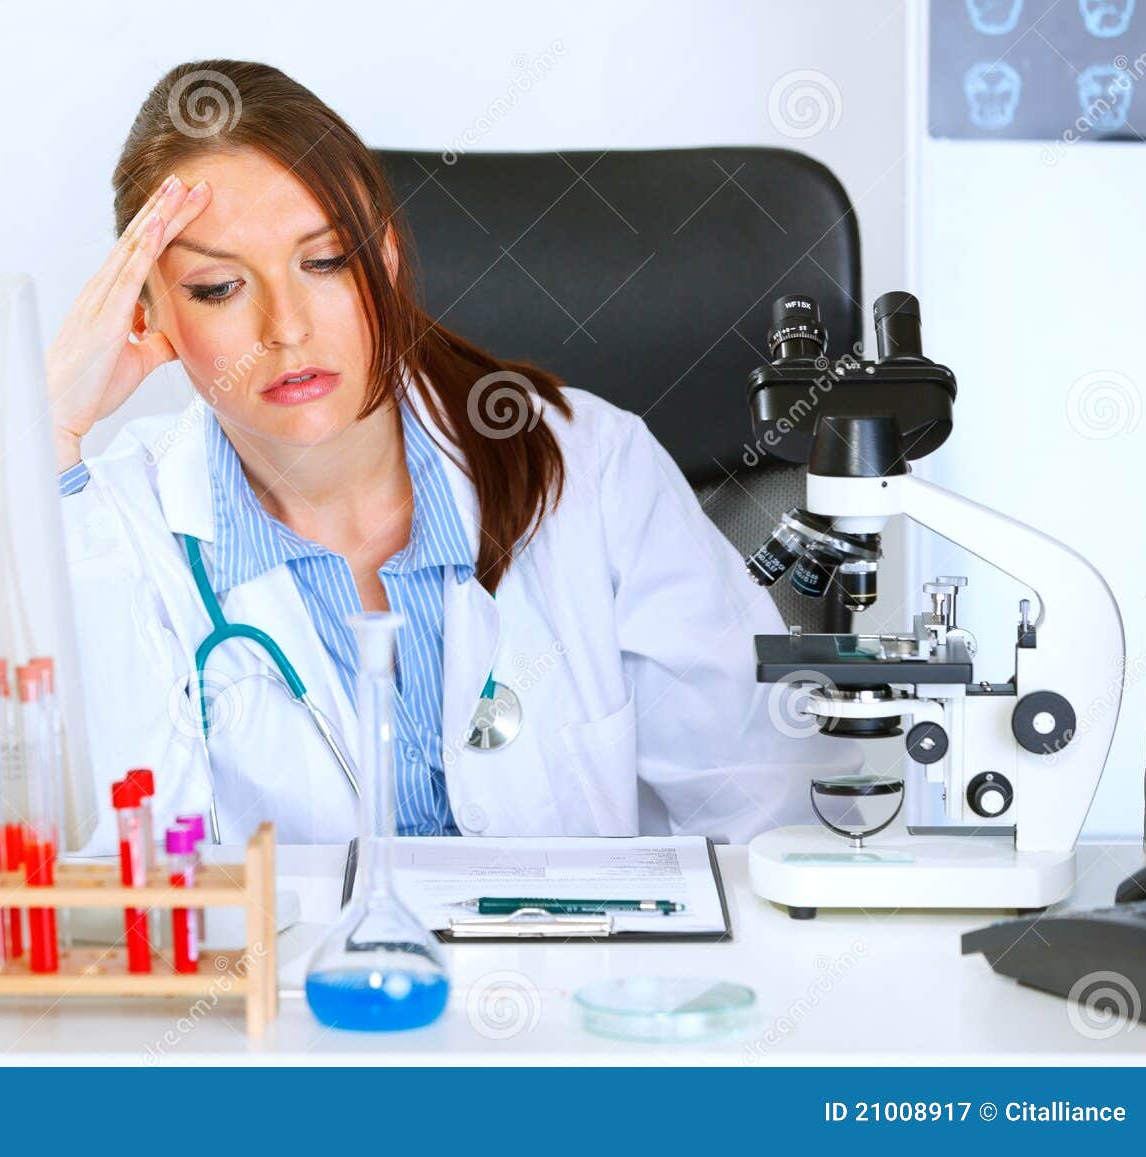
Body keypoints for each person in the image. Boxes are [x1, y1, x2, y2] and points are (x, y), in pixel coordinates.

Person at [49, 59, 859, 847]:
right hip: (297, 990)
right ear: (147, 312)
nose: (285, 327)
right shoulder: (111, 529)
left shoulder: (593, 470)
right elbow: (105, 868)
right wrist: (48, 433)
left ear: (387, 257)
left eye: (326, 261)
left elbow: (775, 814)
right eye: (219, 288)